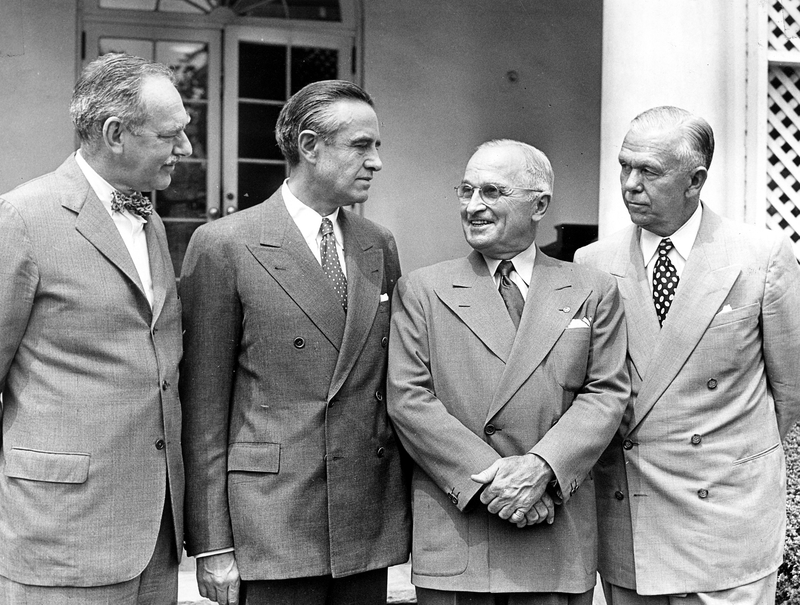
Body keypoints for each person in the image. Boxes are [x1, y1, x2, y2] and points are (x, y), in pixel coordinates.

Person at [179, 79, 410, 605]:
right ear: (309, 146)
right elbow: (204, 408)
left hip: (363, 519)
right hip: (271, 524)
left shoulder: (378, 244)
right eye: (361, 146)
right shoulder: (225, 244)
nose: (376, 162)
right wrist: (213, 544)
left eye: (377, 146)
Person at [387, 139, 630, 605]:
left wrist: (541, 470)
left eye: (492, 192)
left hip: (554, 526)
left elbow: (606, 394)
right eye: (466, 190)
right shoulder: (422, 289)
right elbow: (408, 399)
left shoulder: (592, 289)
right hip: (461, 530)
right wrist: (498, 482)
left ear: (539, 205)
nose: (473, 206)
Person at [574, 106, 800, 604]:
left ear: (695, 180)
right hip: (633, 518)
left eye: (649, 171)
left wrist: (726, 460)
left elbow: (790, 391)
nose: (629, 184)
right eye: (624, 166)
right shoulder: (592, 262)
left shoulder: (761, 256)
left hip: (726, 522)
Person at [0, 53, 191, 604]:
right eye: (170, 135)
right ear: (114, 134)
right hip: (57, 537)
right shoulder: (22, 218)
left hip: (154, 537)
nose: (185, 148)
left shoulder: (150, 221)